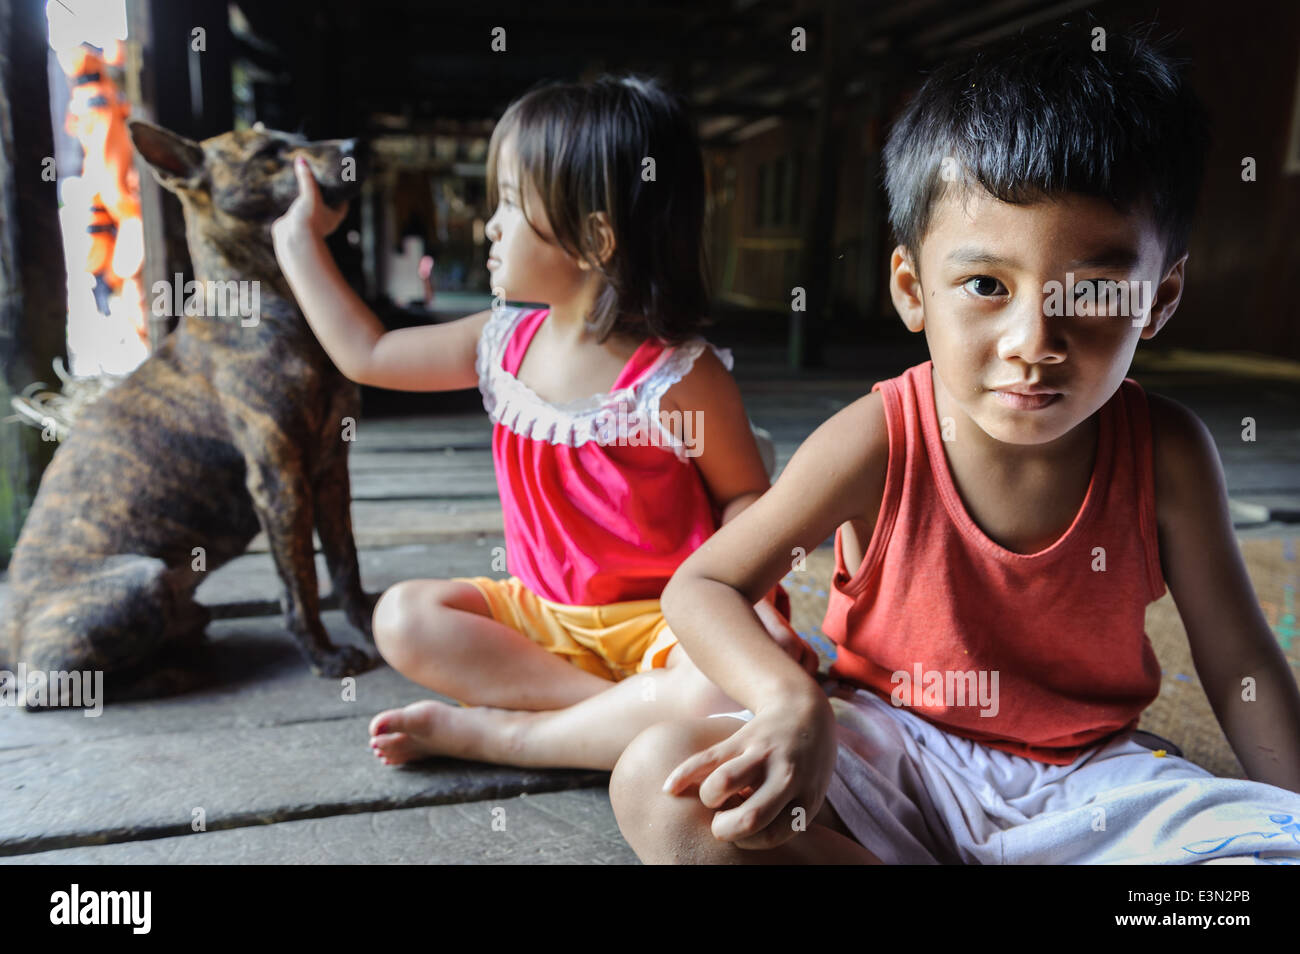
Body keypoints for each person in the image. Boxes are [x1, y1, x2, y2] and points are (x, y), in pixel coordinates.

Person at [609, 22, 1300, 864]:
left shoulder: (1170, 453)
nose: (1032, 340)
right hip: (885, 753)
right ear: (912, 288)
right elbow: (704, 585)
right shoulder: (878, 437)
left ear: (1159, 298)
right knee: (660, 781)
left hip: (1093, 783)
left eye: (1093, 291)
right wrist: (792, 703)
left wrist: (1284, 812)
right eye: (985, 285)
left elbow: (1238, 661)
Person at [271, 75, 813, 773]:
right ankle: (617, 719)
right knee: (402, 618)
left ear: (594, 239)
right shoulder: (498, 343)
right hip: (541, 619)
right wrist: (297, 242)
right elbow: (367, 353)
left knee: (719, 690)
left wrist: (754, 601)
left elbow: (748, 500)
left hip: (671, 622)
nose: (489, 225)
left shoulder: (677, 377)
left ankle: (509, 736)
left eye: (509, 204)